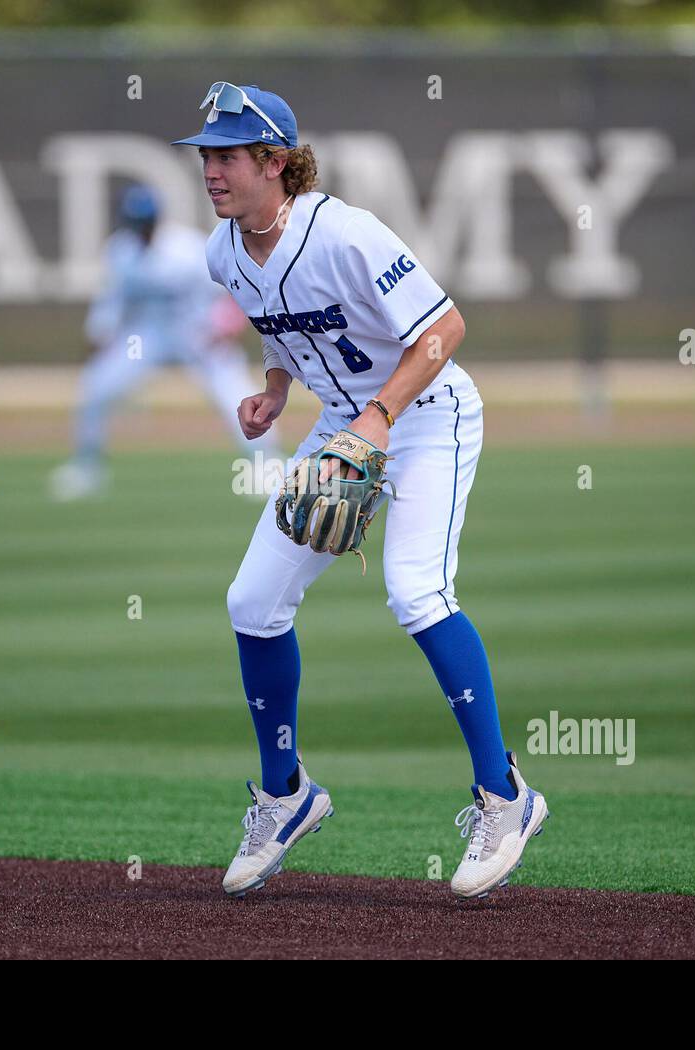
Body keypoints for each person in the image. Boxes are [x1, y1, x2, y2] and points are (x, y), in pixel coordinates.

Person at [172, 82, 548, 898]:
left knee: (416, 590)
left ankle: (505, 796)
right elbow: (281, 326)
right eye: (206, 156)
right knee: (253, 602)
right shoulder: (225, 250)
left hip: (426, 417)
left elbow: (444, 330)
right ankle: (286, 793)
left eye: (228, 155)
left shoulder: (344, 234)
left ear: (275, 162)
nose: (211, 170)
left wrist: (378, 417)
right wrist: (275, 392)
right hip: (344, 425)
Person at [49, 184, 282, 501]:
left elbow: (230, 285)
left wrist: (225, 325)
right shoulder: (121, 251)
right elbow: (112, 301)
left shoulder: (186, 247)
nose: (142, 230)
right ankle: (87, 468)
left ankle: (266, 465)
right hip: (148, 334)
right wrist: (100, 334)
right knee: (96, 386)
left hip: (195, 330)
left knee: (234, 392)